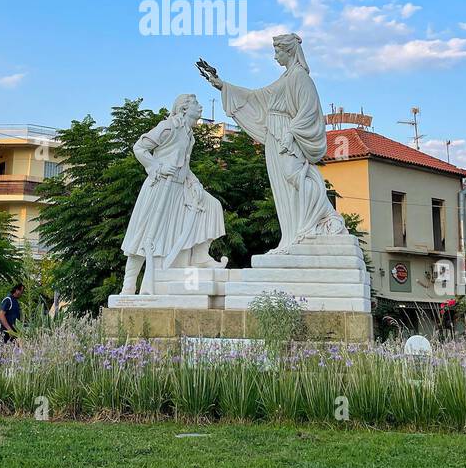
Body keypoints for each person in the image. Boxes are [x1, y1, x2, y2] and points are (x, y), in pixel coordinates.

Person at [197, 33, 346, 254]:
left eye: (278, 51)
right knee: (283, 185)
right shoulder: (286, 78)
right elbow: (258, 97)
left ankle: (324, 218)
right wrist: (222, 86)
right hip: (274, 133)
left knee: (295, 177)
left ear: (289, 51)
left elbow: (309, 108)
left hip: (288, 134)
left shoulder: (300, 77)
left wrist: (291, 133)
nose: (275, 56)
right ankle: (292, 235)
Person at [120, 93, 226, 295]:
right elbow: (140, 147)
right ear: (184, 108)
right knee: (144, 234)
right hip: (160, 186)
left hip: (180, 188)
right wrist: (157, 167)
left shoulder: (189, 134)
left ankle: (200, 256)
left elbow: (184, 165)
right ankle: (129, 285)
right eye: (196, 103)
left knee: (212, 205)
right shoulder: (169, 126)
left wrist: (195, 182)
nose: (201, 107)